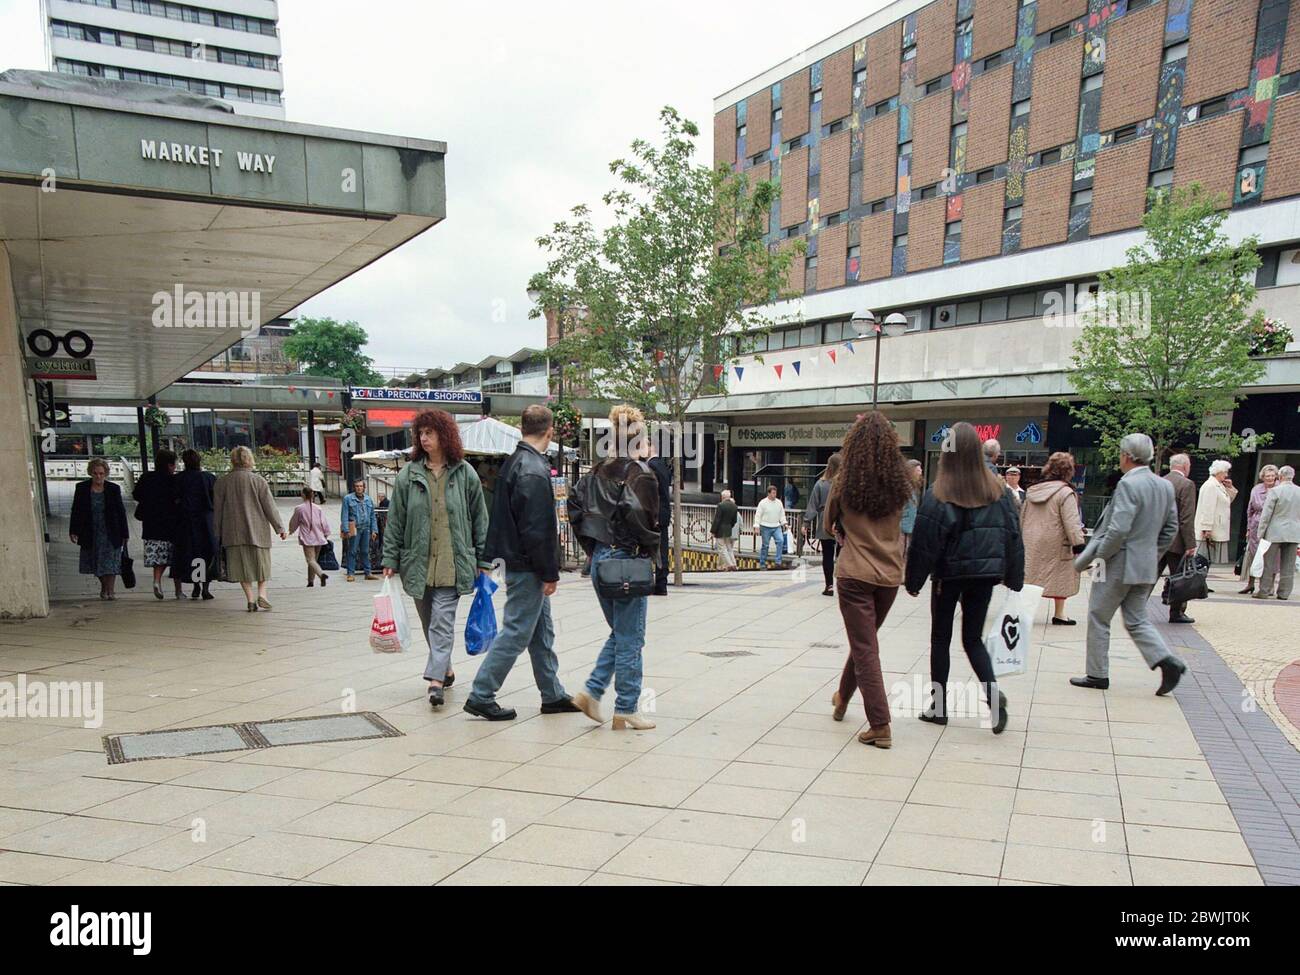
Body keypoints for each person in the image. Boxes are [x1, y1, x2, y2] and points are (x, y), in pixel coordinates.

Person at [905, 421, 1020, 733]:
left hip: (948, 575)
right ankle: (994, 698)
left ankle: (939, 707)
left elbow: (925, 541)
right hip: (984, 576)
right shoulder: (999, 491)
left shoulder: (939, 493)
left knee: (941, 638)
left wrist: (913, 580)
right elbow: (1013, 535)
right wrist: (1014, 576)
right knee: (973, 639)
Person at [464, 404, 578, 721]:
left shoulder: (515, 463)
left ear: (521, 428)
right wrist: (549, 572)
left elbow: (501, 520)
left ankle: (552, 693)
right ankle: (481, 693)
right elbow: (537, 529)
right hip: (528, 565)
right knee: (516, 631)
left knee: (541, 632)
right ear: (550, 431)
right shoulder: (533, 470)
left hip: (515, 560)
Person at [382, 410, 490, 708]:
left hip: (453, 564)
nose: (424, 438)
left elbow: (480, 519)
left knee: (442, 621)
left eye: (429, 433)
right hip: (417, 563)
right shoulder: (409, 475)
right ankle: (446, 668)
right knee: (430, 621)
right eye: (421, 433)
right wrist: (390, 558)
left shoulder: (465, 473)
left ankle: (435, 682)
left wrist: (484, 560)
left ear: (445, 435)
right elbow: (396, 520)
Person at [569, 404, 662, 730]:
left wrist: (593, 549)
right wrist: (650, 550)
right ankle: (625, 707)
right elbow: (644, 519)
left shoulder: (594, 473)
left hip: (600, 562)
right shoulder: (641, 475)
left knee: (622, 634)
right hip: (625, 561)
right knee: (631, 637)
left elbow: (575, 511)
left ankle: (592, 692)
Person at [1070, 433, 1186, 695]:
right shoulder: (1164, 485)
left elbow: (1118, 530)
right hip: (1145, 564)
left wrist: (1098, 558)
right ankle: (1167, 662)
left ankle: (1097, 674)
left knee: (1099, 616)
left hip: (1118, 562)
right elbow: (1170, 529)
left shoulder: (1128, 485)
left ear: (1125, 456)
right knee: (1136, 618)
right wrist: (1151, 553)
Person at [826, 414, 914, 749]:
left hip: (854, 575)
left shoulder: (844, 481)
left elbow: (827, 524)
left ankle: (880, 724)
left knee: (865, 647)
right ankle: (842, 698)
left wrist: (844, 529)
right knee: (865, 642)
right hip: (889, 576)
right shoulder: (900, 483)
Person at [214, 445, 287, 612]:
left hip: (233, 533)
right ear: (249, 460)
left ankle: (250, 599)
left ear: (233, 461)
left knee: (241, 568)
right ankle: (263, 594)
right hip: (258, 531)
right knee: (262, 565)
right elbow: (270, 507)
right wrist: (280, 528)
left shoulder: (222, 482)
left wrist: (217, 532)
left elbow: (217, 510)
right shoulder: (258, 481)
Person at [1022, 452, 1086, 625]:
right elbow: (1072, 521)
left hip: (1031, 540)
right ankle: (1059, 614)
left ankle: (1023, 611)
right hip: (1056, 542)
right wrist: (1078, 544)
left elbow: (1023, 516)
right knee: (1061, 576)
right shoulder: (1066, 493)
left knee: (1031, 576)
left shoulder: (1033, 491)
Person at [70, 457, 129, 601]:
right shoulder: (82, 488)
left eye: (101, 473)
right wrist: (73, 530)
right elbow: (76, 510)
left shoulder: (113, 489)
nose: (98, 476)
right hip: (91, 530)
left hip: (111, 530)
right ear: (91, 473)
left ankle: (111, 590)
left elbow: (121, 511)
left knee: (112, 562)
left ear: (106, 473)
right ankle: (104, 587)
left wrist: (125, 533)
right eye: (96, 473)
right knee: (96, 561)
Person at [133, 449, 181, 600]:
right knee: (174, 557)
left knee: (157, 557)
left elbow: (136, 494)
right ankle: (178, 590)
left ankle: (156, 580)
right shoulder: (174, 480)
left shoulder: (146, 477)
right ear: (170, 464)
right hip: (171, 523)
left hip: (151, 523)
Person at [173, 449, 218, 600]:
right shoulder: (209, 478)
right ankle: (205, 586)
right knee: (206, 553)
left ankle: (196, 585)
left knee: (192, 553)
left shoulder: (179, 479)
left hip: (186, 521)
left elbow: (174, 499)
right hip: (206, 521)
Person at [1161, 453, 1200, 622]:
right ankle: (1176, 612)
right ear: (1185, 466)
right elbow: (1186, 518)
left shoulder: (1159, 481)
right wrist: (1190, 544)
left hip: (1156, 539)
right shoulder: (1187, 485)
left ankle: (1135, 610)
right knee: (1180, 577)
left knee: (1148, 577)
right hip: (1176, 541)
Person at [1255, 465, 1300, 601]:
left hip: (1274, 531)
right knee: (1288, 564)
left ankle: (1264, 590)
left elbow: (1266, 514)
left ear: (1280, 477)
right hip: (1293, 531)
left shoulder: (1275, 491)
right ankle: (1284, 593)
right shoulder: (1299, 491)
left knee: (1268, 563)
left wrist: (1260, 533)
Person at [804, 453, 843, 596]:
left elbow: (812, 505)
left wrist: (806, 523)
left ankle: (829, 586)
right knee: (841, 555)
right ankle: (842, 584)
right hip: (842, 522)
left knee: (827, 555)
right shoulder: (844, 484)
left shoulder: (821, 483)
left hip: (825, 520)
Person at [1239, 464, 1280, 595]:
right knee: (1253, 554)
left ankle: (1270, 586)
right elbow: (1250, 510)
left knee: (1273, 556)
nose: (1270, 478)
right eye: (1267, 476)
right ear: (1262, 477)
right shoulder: (1256, 489)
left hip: (1274, 526)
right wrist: (1248, 528)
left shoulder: (1280, 489)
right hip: (1256, 525)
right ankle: (1250, 584)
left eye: (1272, 475)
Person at [1194, 460, 1238, 564]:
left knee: (1207, 560)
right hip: (1211, 530)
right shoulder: (1211, 485)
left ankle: (1201, 579)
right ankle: (1198, 580)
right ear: (1219, 472)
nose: (1226, 475)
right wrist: (1207, 528)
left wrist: (1230, 488)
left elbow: (1227, 501)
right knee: (1203, 559)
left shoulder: (1219, 485)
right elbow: (1207, 508)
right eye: (1225, 472)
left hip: (1217, 527)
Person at [288, 486, 331, 589]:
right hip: (319, 536)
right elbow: (324, 523)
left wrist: (290, 530)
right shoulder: (318, 508)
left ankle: (321, 574)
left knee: (310, 560)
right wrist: (326, 533)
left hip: (307, 536)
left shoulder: (299, 508)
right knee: (314, 560)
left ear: (303, 495)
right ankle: (310, 581)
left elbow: (294, 522)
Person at [341, 478, 378, 582]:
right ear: (354, 487)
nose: (359, 488)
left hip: (366, 528)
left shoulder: (368, 499)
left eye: (361, 486)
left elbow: (372, 516)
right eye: (357, 486)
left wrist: (374, 530)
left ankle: (368, 572)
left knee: (365, 551)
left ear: (364, 488)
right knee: (352, 551)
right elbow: (344, 515)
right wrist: (346, 529)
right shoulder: (348, 499)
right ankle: (350, 573)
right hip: (354, 528)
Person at [647, 443, 673, 595]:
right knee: (661, 549)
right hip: (663, 513)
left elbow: (653, 492)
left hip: (656, 515)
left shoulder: (652, 466)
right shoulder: (662, 465)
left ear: (651, 448)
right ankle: (661, 582)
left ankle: (659, 583)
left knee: (655, 550)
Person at [755, 485, 786, 569]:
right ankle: (762, 563)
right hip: (765, 526)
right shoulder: (762, 503)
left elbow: (782, 514)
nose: (775, 495)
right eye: (773, 493)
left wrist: (784, 523)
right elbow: (758, 515)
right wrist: (756, 526)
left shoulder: (779, 502)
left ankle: (778, 562)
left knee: (780, 541)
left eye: (775, 493)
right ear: (768, 493)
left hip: (776, 525)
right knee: (765, 545)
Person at [711, 489, 739, 570]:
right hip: (728, 529)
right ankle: (734, 564)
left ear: (722, 497)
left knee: (722, 548)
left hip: (720, 530)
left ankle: (730, 565)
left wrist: (713, 531)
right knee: (729, 548)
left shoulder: (720, 505)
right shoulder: (734, 506)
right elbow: (735, 520)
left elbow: (717, 519)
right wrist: (730, 526)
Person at [900, 459, 922, 557]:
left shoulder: (912, 488)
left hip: (908, 529)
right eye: (918, 470)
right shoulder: (905, 488)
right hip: (902, 530)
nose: (920, 472)